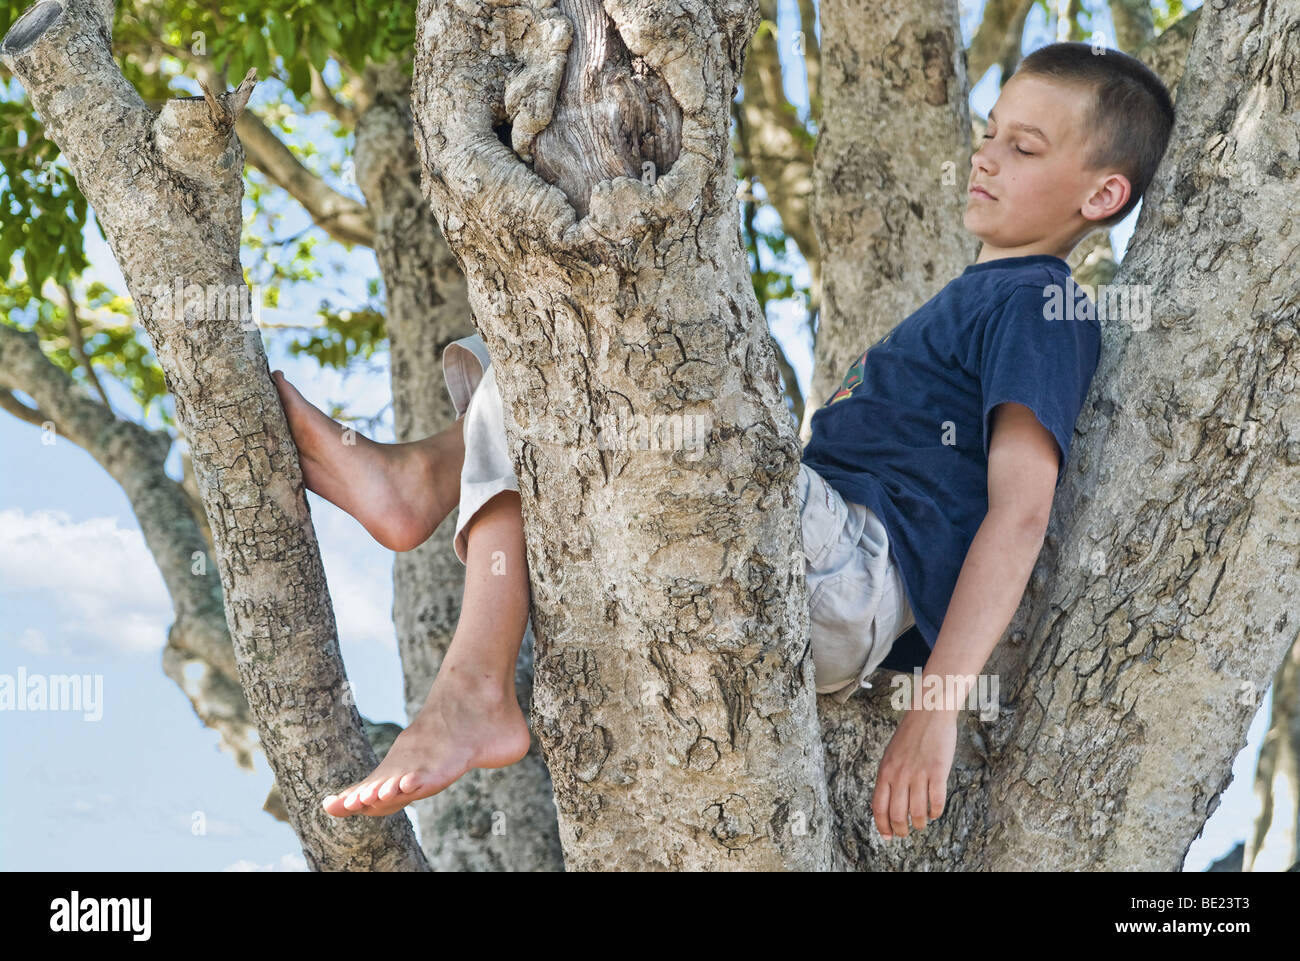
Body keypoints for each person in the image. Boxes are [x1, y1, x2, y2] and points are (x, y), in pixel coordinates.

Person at [271, 41, 1174, 835]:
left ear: (1102, 193)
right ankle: (430, 486)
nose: (988, 158)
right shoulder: (982, 296)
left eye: (1025, 149)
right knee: (558, 337)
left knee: (596, 332)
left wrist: (935, 708)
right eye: (990, 132)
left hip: (847, 572)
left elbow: (1021, 514)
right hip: (812, 572)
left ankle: (464, 649)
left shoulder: (1038, 303)